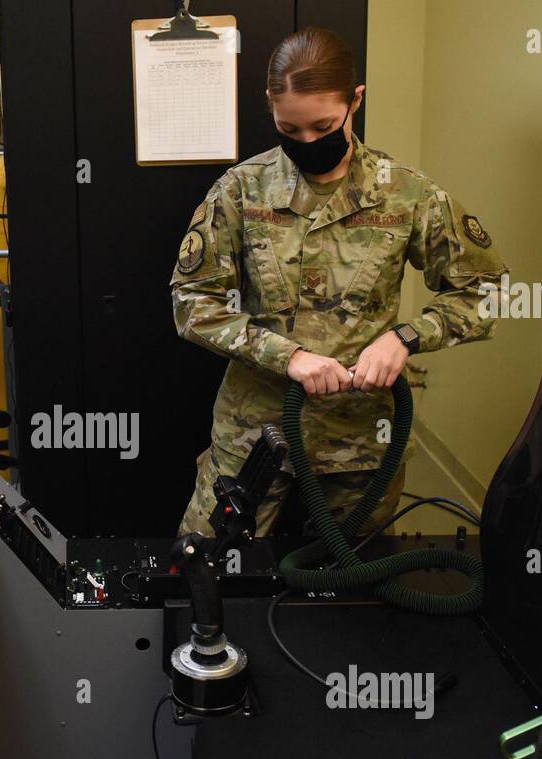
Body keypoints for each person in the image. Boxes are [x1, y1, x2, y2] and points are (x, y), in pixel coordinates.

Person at [173, 26, 506, 538]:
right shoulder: (240, 191)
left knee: (353, 590)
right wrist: (288, 357)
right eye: (291, 128)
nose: (307, 141)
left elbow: (488, 290)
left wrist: (407, 338)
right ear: (271, 109)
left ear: (356, 101)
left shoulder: (407, 195)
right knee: (208, 575)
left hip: (362, 443)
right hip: (254, 435)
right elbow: (193, 302)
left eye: (324, 125)